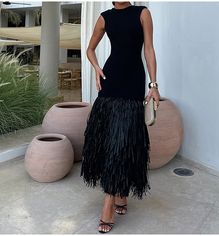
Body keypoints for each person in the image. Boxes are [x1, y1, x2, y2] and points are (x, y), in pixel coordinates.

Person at [80, 1, 160, 233]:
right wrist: (96, 68)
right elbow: (90, 49)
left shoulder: (142, 13)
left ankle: (114, 196)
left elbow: (148, 49)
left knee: (124, 140)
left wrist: (153, 84)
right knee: (109, 140)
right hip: (111, 80)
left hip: (133, 81)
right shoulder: (105, 17)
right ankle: (115, 195)